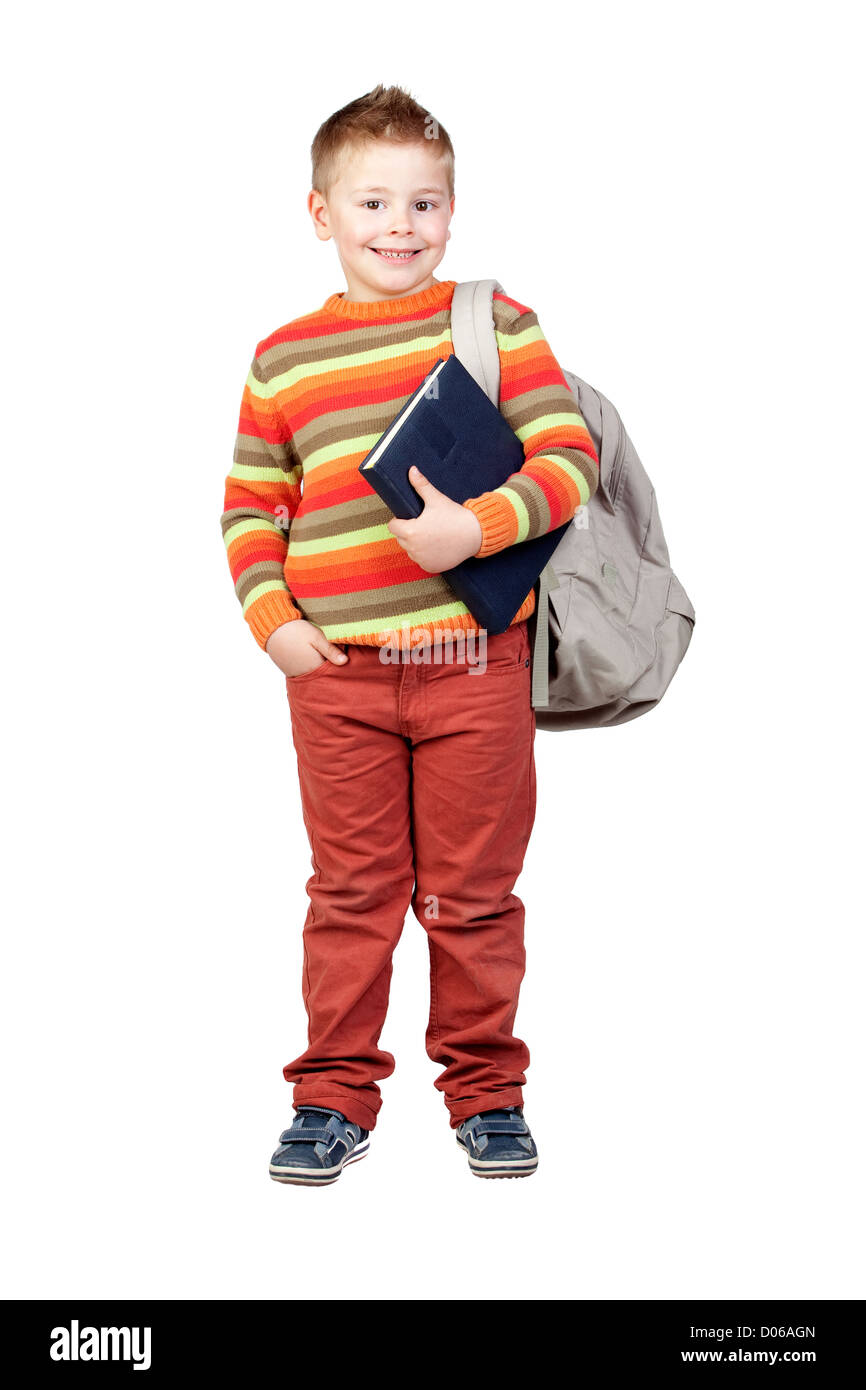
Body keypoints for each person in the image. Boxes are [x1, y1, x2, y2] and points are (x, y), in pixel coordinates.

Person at [220, 84, 599, 1183]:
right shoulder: (282, 357)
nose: (399, 225)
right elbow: (252, 507)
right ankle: (332, 1093)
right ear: (319, 212)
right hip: (333, 677)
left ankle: (486, 1091)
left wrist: (471, 528)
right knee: (350, 892)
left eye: (423, 203)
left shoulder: (492, 324)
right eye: (373, 201)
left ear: (451, 212)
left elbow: (567, 462)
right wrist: (271, 621)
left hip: (471, 665)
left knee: (472, 893)